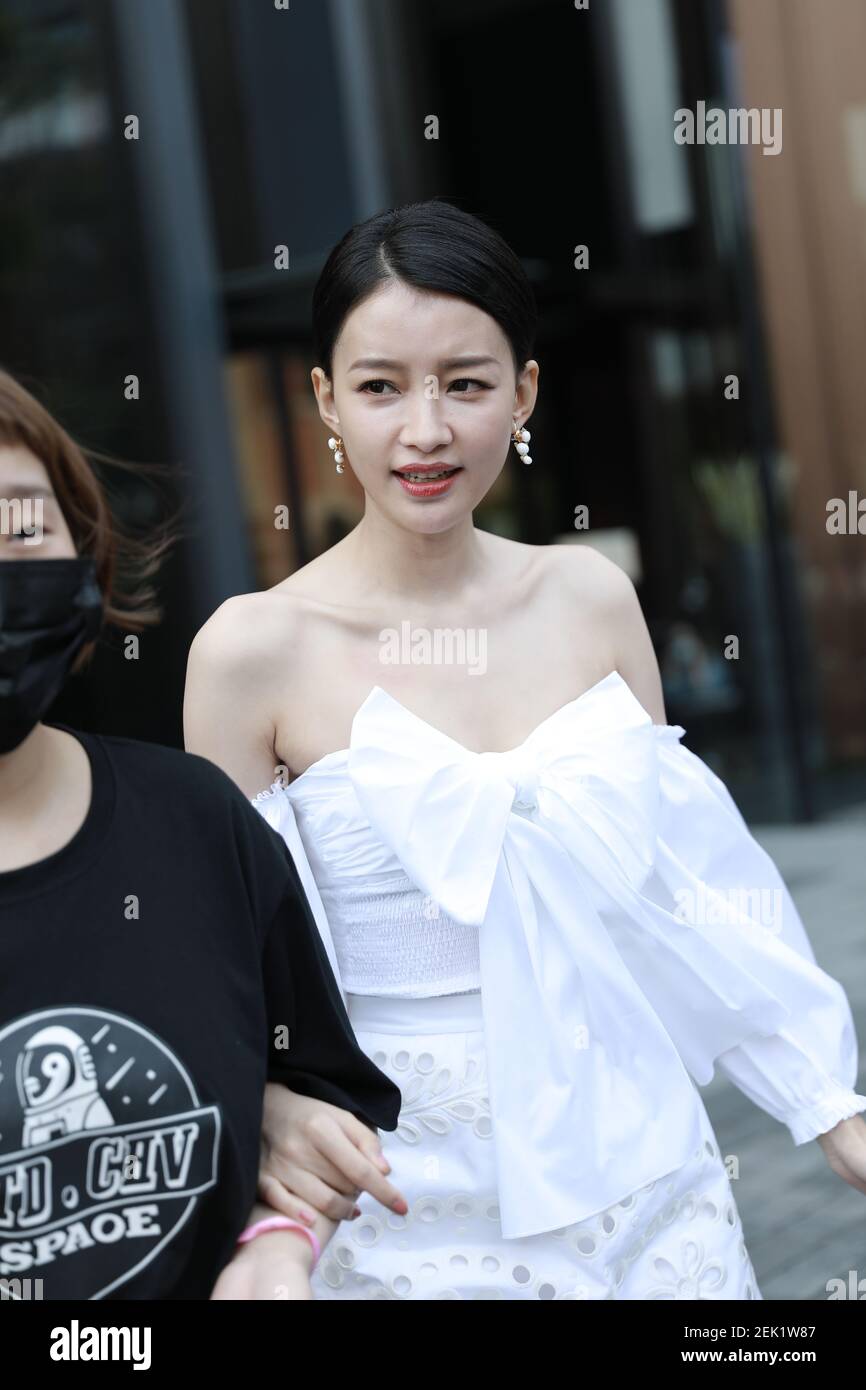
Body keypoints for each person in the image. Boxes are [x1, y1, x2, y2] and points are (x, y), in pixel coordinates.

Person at [183, 199, 866, 1301]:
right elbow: (218, 961)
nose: (425, 429)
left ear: (524, 392)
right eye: (379, 386)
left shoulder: (589, 597)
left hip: (644, 1166)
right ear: (324, 401)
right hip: (401, 1191)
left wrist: (826, 1100)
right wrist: (271, 1122)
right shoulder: (250, 651)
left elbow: (676, 886)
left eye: (464, 382)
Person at [0, 368, 404, 1301]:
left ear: (85, 547)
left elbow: (307, 1088)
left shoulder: (194, 824)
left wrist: (272, 1232)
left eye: (24, 527)